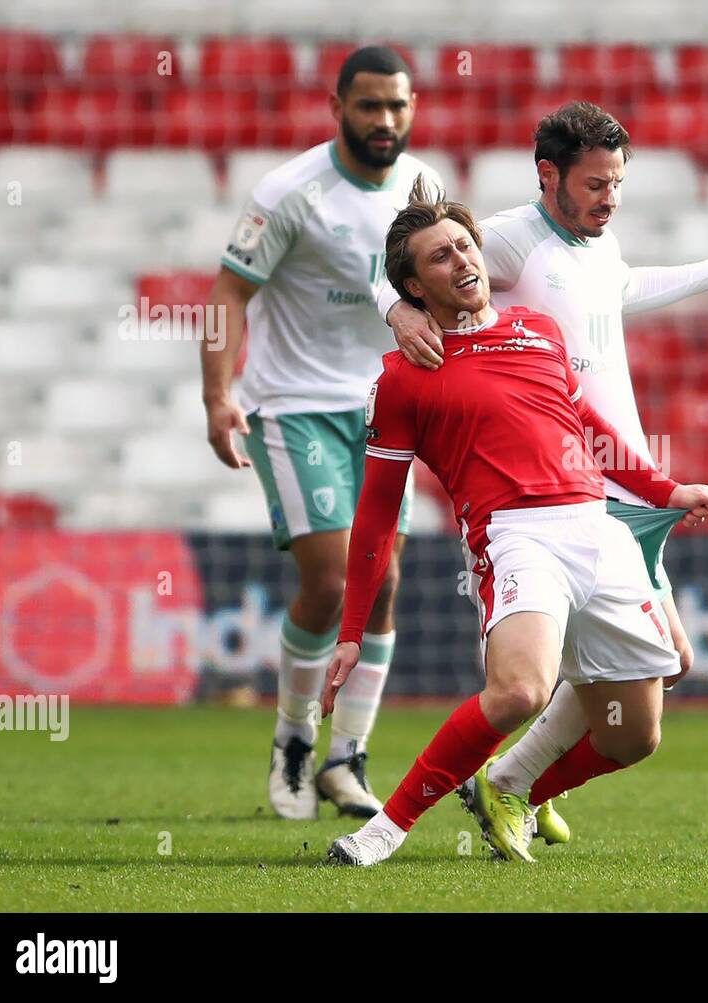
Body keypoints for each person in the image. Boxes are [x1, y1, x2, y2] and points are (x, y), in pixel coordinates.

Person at [376, 102, 708, 841]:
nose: (610, 197)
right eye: (595, 183)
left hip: (624, 477)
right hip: (575, 488)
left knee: (658, 666)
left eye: (617, 182)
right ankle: (512, 784)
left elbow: (622, 288)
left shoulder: (596, 243)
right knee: (661, 664)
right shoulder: (512, 237)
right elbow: (402, 253)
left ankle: (514, 782)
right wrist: (395, 310)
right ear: (549, 175)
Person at [323, 179, 708, 865]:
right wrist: (353, 631)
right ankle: (381, 831)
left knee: (635, 735)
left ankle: (514, 783)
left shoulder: (537, 330)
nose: (461, 261)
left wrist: (665, 487)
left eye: (463, 245)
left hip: (599, 527)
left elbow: (590, 427)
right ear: (414, 289)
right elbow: (377, 511)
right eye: (439, 258)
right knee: (518, 691)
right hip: (516, 536)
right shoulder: (403, 376)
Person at [203, 46, 445, 818]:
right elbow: (227, 294)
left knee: (386, 585)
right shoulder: (290, 192)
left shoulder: (424, 186)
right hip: (294, 401)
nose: (385, 121)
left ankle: (348, 758)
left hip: (384, 406)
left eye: (398, 106)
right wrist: (217, 396)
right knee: (334, 578)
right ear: (336, 106)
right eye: (369, 105)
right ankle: (295, 739)